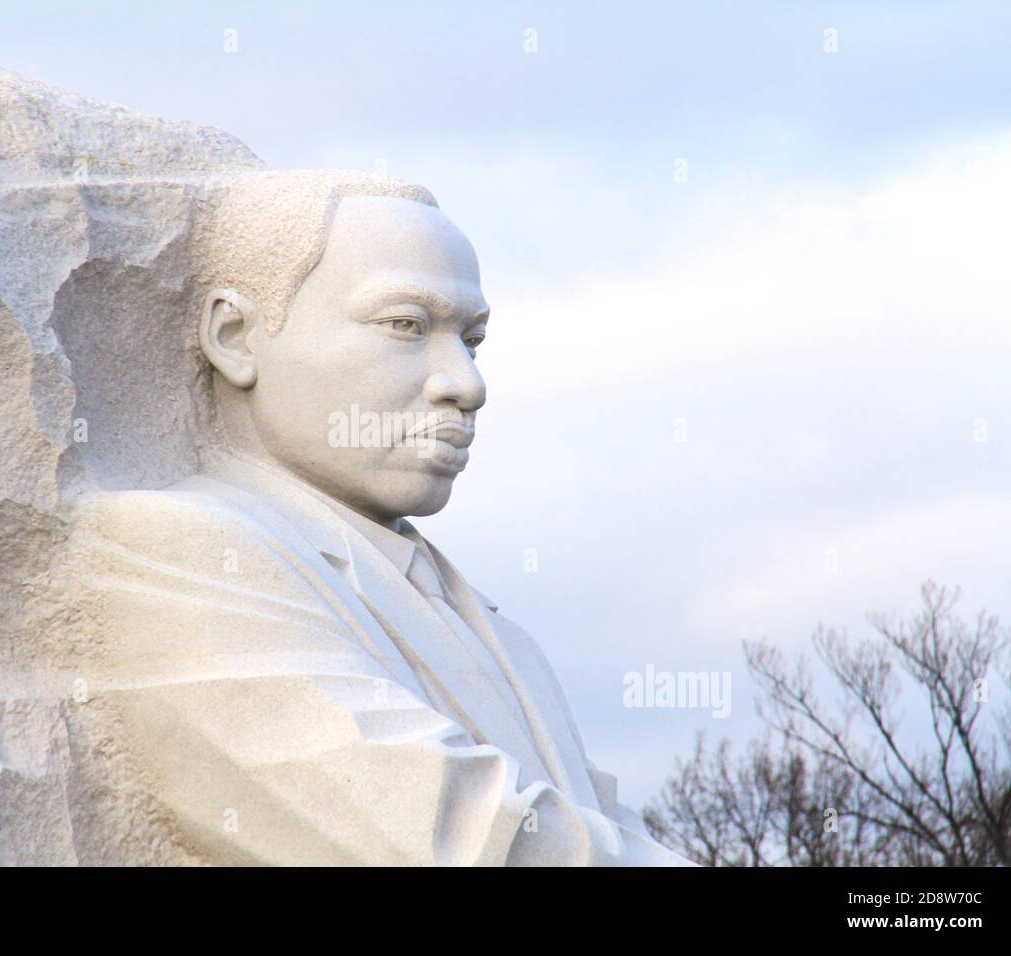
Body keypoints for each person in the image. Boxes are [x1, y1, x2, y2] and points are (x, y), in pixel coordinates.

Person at [71, 172, 694, 866]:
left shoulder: (507, 642)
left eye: (472, 339)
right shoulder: (170, 547)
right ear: (235, 336)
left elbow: (605, 825)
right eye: (407, 326)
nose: (466, 383)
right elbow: (448, 832)